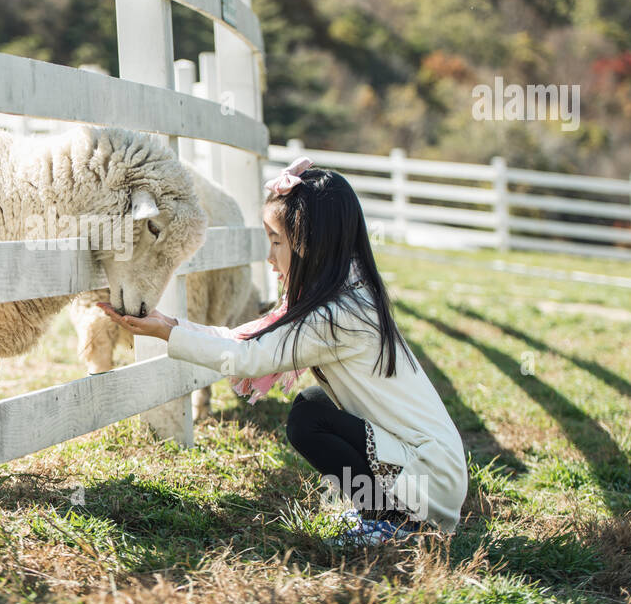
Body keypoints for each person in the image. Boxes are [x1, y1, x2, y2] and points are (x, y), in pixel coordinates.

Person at [98, 157, 468, 547]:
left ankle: (392, 520)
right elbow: (247, 341)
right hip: (435, 467)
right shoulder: (350, 288)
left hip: (428, 478)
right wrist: (171, 326)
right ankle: (383, 506)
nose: (270, 257)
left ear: (311, 244)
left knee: (308, 422)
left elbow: (248, 357)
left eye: (277, 242)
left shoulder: (334, 317)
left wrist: (166, 332)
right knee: (313, 401)